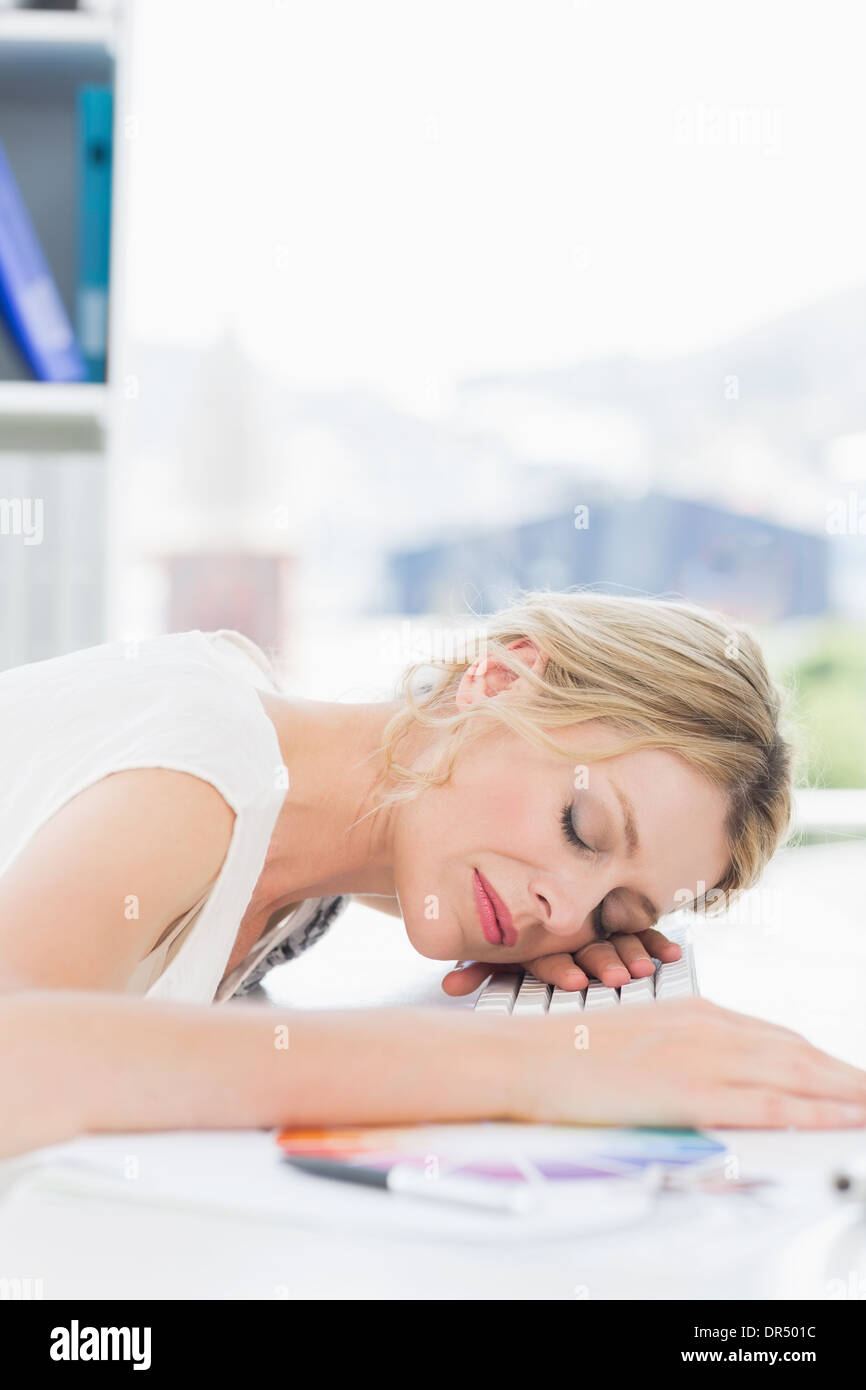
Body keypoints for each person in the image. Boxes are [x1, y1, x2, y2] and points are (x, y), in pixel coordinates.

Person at [2, 590, 865, 1157]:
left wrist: (557, 979)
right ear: (499, 677)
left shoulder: (302, 849)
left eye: (613, 916)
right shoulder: (203, 757)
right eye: (581, 825)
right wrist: (537, 1061)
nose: (562, 908)